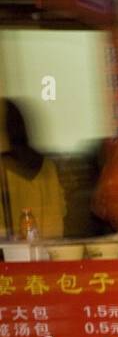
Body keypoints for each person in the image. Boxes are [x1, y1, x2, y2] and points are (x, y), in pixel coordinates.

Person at [1, 99, 66, 240]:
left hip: (15, 258)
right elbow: (61, 213)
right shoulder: (48, 166)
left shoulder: (4, 171)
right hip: (51, 254)